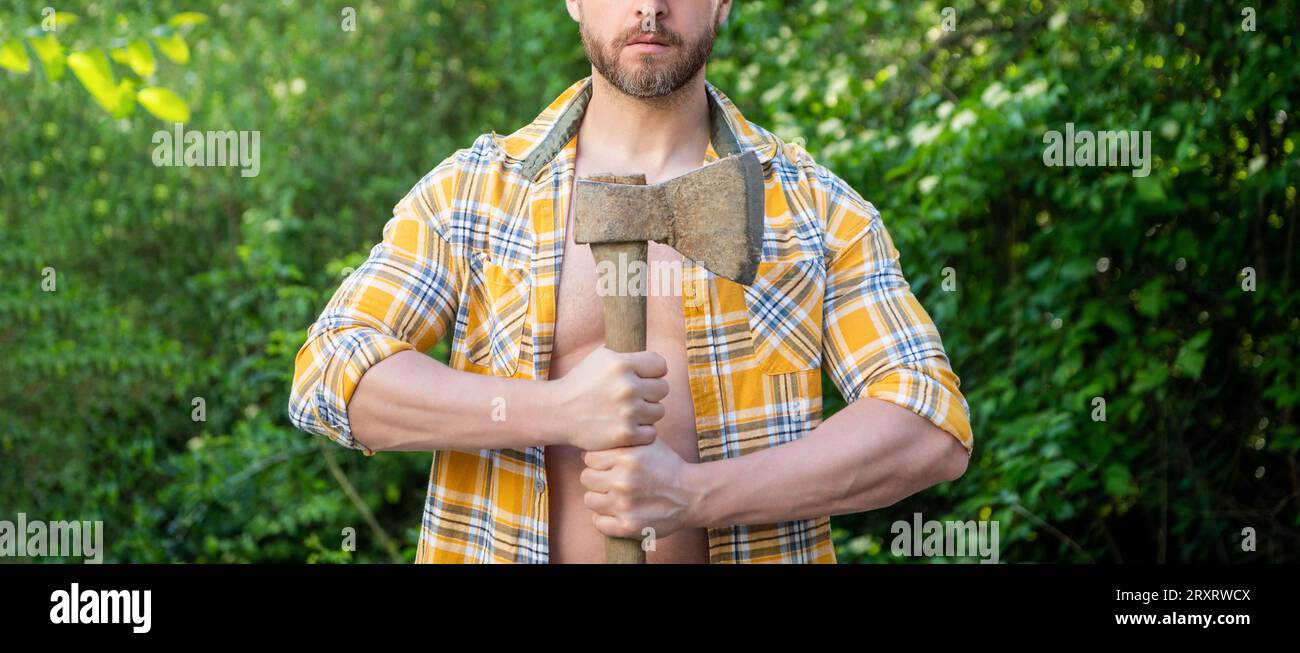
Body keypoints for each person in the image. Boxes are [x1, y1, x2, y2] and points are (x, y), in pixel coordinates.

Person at [289, 0, 973, 563]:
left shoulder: (814, 210)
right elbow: (330, 370)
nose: (650, 8)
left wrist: (697, 494)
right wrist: (557, 409)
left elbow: (927, 425)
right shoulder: (475, 193)